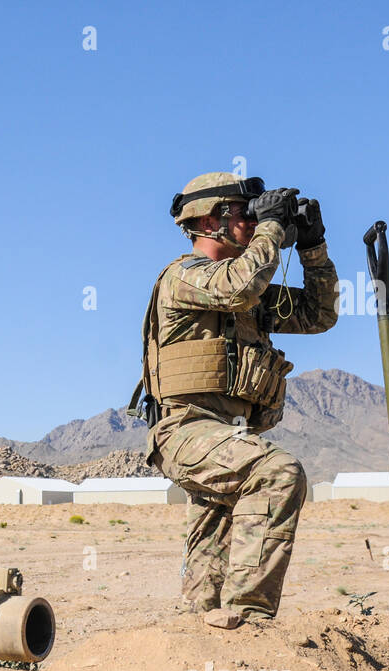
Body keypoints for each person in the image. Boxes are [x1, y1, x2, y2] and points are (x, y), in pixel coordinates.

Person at [129, 172, 338, 628]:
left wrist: (311, 246)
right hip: (185, 431)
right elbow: (239, 285)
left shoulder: (247, 289)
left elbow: (320, 314)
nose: (256, 222)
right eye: (246, 213)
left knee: (211, 557)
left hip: (229, 436)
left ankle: (203, 639)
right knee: (276, 472)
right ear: (210, 221)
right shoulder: (185, 277)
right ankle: (251, 616)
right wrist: (271, 229)